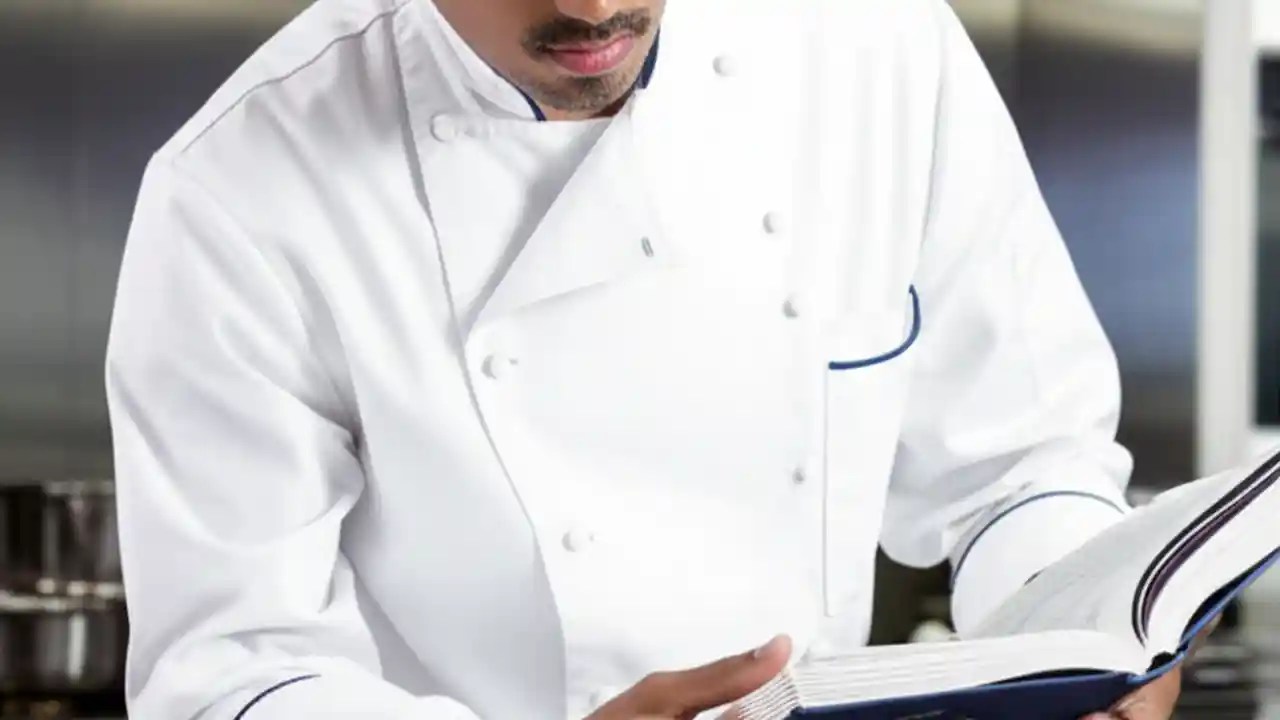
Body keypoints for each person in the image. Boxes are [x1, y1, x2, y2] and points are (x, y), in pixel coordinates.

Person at [104, 0, 1199, 718]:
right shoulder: (236, 189)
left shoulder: (874, 46)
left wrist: (1088, 643)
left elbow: (1014, 460)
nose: (590, 5)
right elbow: (231, 671)